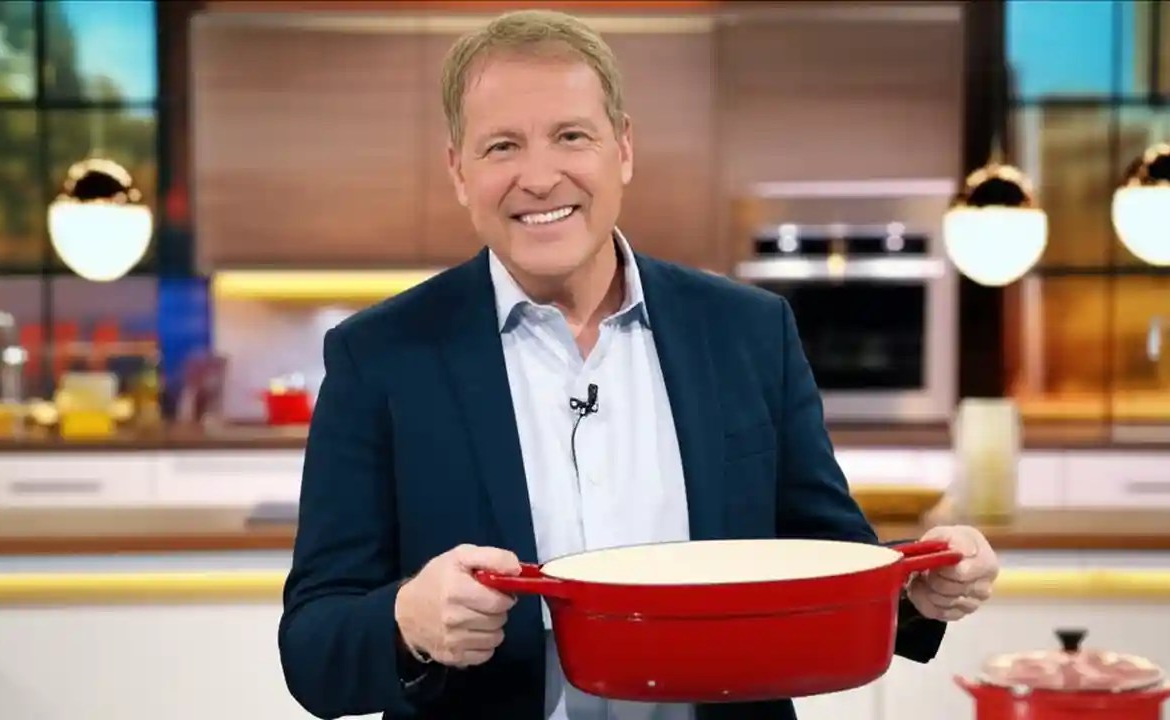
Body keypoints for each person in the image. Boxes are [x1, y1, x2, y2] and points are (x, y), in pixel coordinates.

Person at [278, 9, 1000, 720]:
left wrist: (913, 585)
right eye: (501, 146)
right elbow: (312, 649)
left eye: (571, 136)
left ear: (622, 148)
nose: (538, 177)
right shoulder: (380, 357)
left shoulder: (748, 333)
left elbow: (830, 560)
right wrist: (409, 621)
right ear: (458, 171)